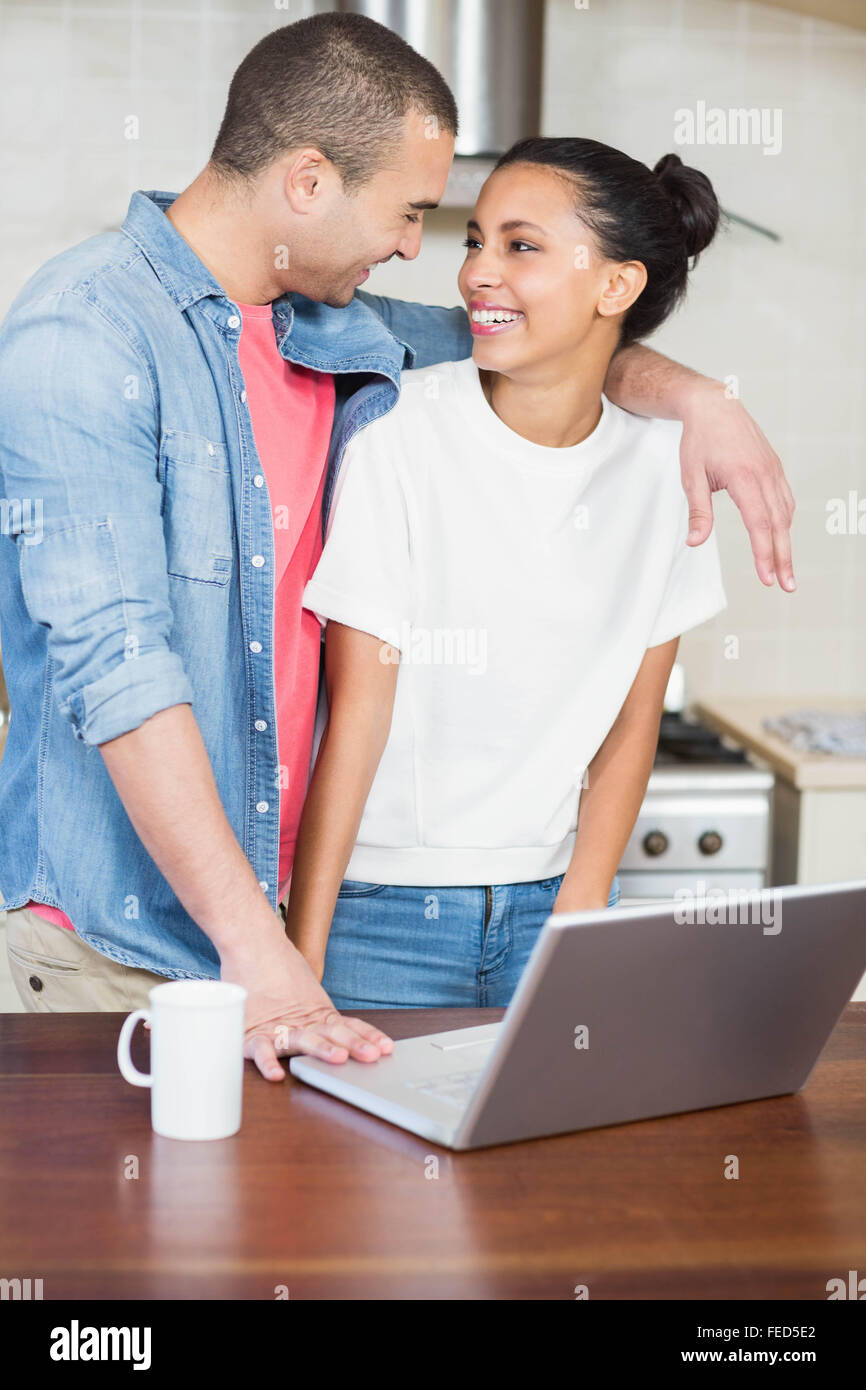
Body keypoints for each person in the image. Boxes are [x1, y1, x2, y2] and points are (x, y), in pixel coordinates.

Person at [0, 14, 793, 1081]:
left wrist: (697, 397)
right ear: (308, 182)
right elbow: (120, 668)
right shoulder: (83, 333)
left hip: (274, 936)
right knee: (126, 1243)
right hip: (112, 947)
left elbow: (550, 348)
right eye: (414, 212)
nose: (419, 249)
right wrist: (259, 949)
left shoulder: (335, 328)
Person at [285, 137, 728, 1008]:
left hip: (552, 910)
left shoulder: (667, 472)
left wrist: (581, 917)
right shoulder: (399, 433)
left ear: (616, 286)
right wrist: (302, 952)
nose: (480, 273)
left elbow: (631, 730)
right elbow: (358, 720)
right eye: (475, 241)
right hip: (377, 916)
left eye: (520, 246)